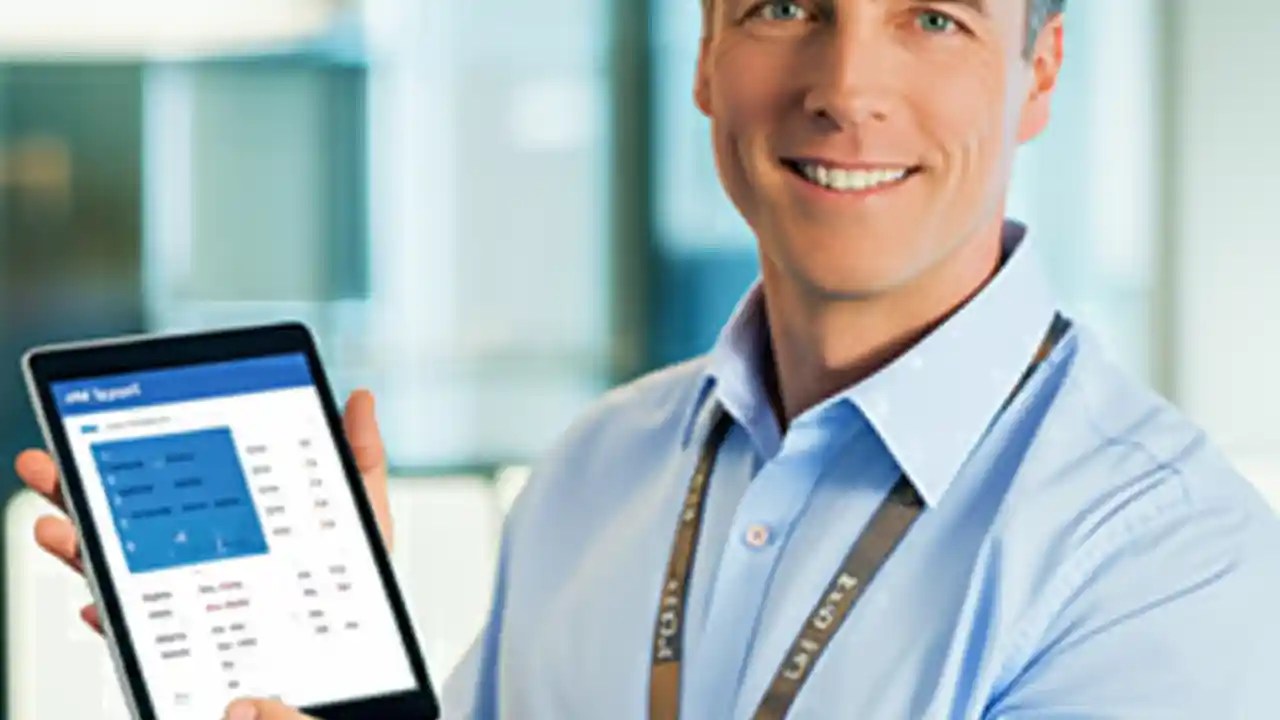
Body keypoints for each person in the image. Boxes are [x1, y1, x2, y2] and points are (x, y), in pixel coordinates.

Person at [17, 0, 1280, 717]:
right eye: (783, 7)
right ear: (707, 56)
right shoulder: (593, 472)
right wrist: (306, 674)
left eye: (932, 18)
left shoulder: (1169, 564)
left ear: (1036, 75)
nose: (846, 88)